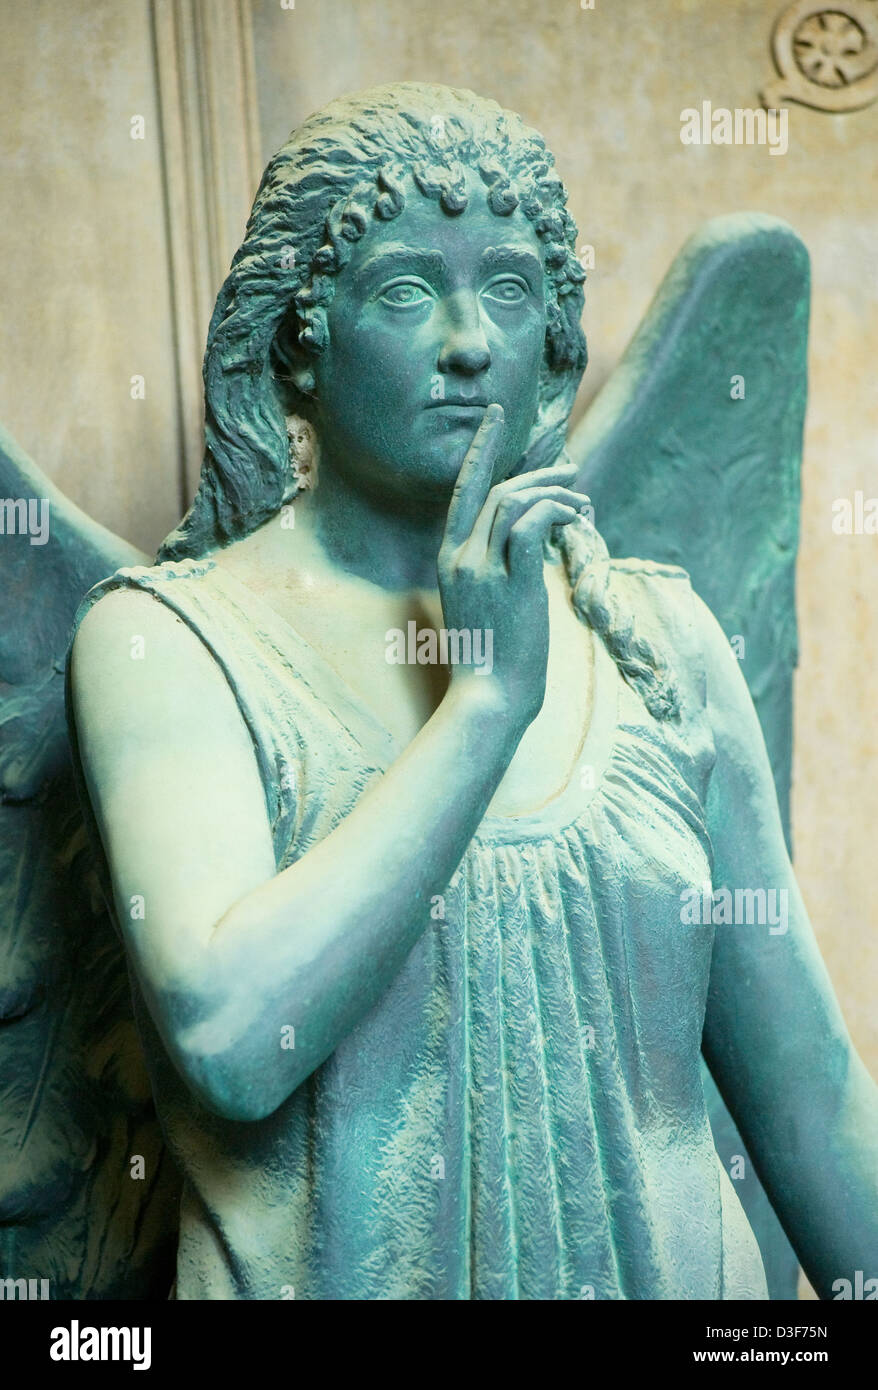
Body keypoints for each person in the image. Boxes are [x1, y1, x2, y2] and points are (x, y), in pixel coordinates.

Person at [68, 82, 878, 1300]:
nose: (470, 339)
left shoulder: (656, 636)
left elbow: (810, 1101)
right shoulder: (171, 645)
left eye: (508, 288)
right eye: (404, 290)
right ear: (300, 335)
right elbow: (234, 1042)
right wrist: (486, 707)